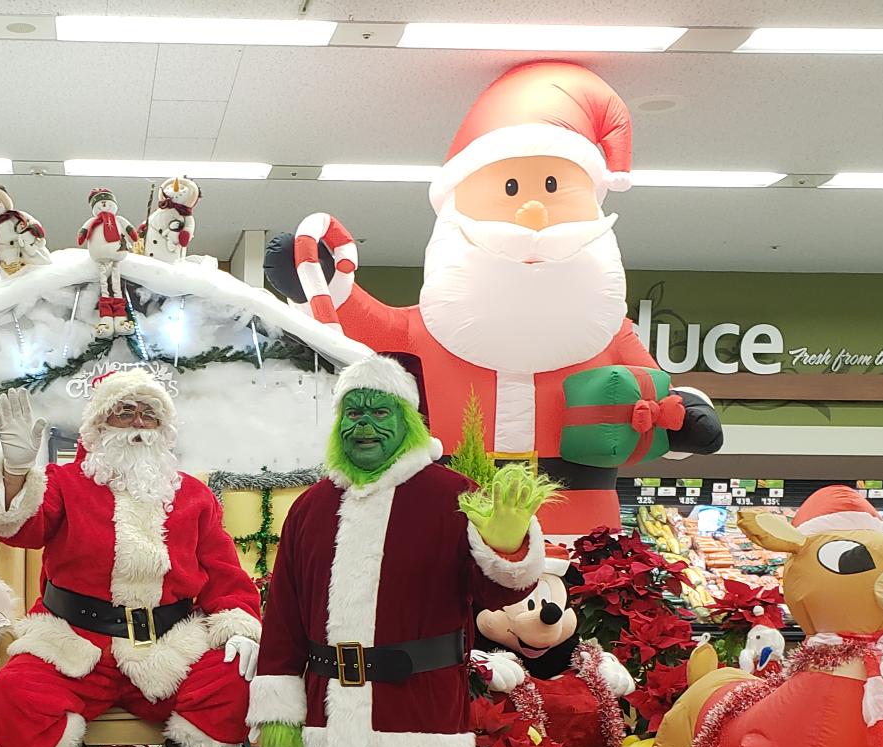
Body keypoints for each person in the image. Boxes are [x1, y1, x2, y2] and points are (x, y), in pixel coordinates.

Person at [271, 60, 722, 533]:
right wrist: (321, 283)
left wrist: (686, 415)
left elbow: (658, 391)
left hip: (577, 520)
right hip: (452, 514)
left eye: (553, 186)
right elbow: (365, 328)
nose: (533, 214)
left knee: (579, 581)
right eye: (510, 189)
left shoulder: (609, 331)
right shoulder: (427, 329)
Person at [250, 356, 546, 747]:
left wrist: (507, 547)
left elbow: (499, 594)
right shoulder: (311, 507)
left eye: (380, 412)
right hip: (330, 721)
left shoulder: (452, 497)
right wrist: (278, 710)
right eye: (353, 412)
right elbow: (282, 614)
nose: (364, 425)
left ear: (408, 419)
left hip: (417, 720)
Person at [0, 369, 261, 747]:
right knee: (10, 696)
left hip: (169, 646)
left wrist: (239, 625)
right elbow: (17, 529)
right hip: (74, 643)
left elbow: (223, 573)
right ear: (97, 424)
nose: (137, 422)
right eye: (123, 411)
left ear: (164, 428)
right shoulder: (62, 483)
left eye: (149, 413)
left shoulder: (194, 495)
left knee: (239, 681)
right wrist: (15, 473)